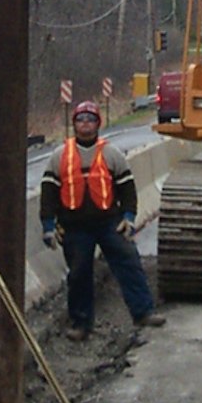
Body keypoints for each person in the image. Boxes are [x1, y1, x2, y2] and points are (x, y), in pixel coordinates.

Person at [40, 99, 166, 341]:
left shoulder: (111, 154)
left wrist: (129, 218)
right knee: (79, 273)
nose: (85, 124)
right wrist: (48, 225)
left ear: (98, 123)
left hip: (109, 223)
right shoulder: (59, 157)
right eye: (80, 119)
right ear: (74, 124)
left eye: (90, 119)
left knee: (129, 262)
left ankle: (143, 311)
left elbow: (127, 190)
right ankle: (80, 324)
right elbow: (48, 193)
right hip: (74, 227)